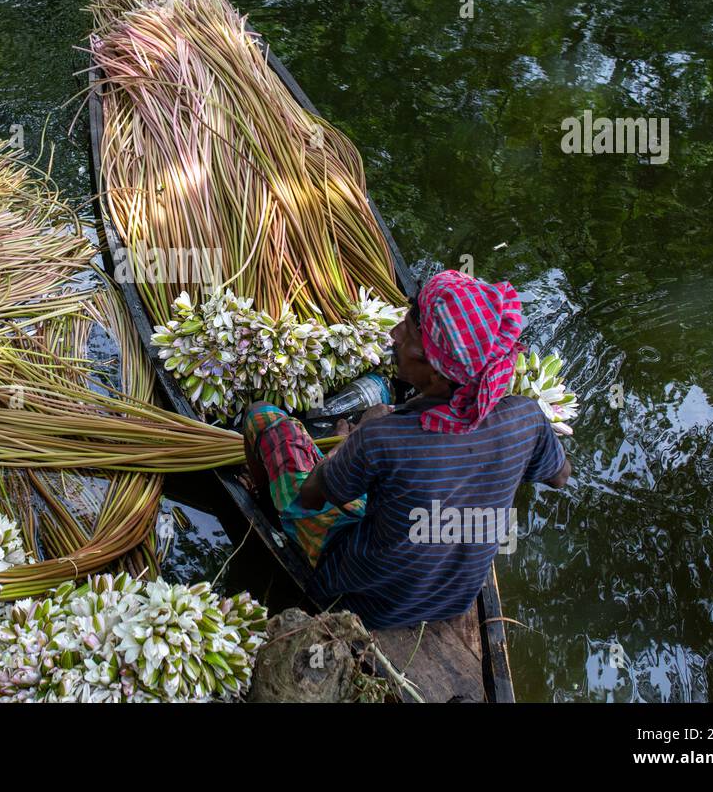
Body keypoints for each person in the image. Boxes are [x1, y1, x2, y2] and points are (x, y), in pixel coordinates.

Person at [241, 269, 571, 628]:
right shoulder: (525, 416)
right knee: (382, 408)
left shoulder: (380, 438)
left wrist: (351, 441)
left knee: (262, 418)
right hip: (454, 599)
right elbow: (560, 477)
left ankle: (261, 499)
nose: (395, 334)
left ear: (436, 372)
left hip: (369, 604)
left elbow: (311, 497)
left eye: (410, 333)